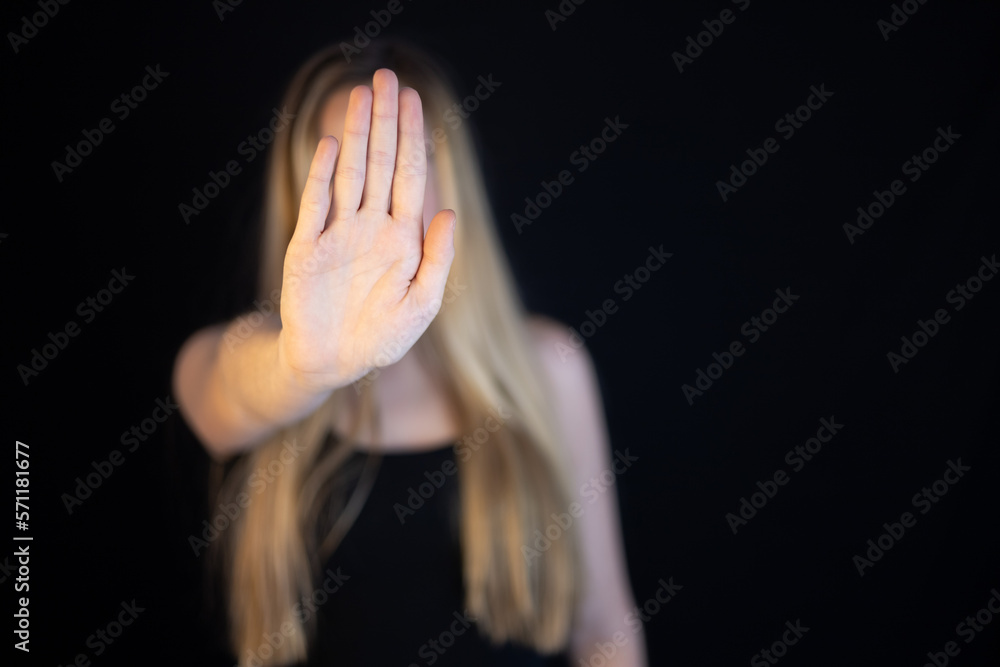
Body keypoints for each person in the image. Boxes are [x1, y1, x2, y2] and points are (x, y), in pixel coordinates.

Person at [172, 38, 646, 667]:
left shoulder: (549, 369)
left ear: (452, 180)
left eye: (403, 160)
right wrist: (301, 368)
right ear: (303, 193)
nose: (379, 200)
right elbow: (220, 397)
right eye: (350, 167)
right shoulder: (248, 358)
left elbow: (604, 630)